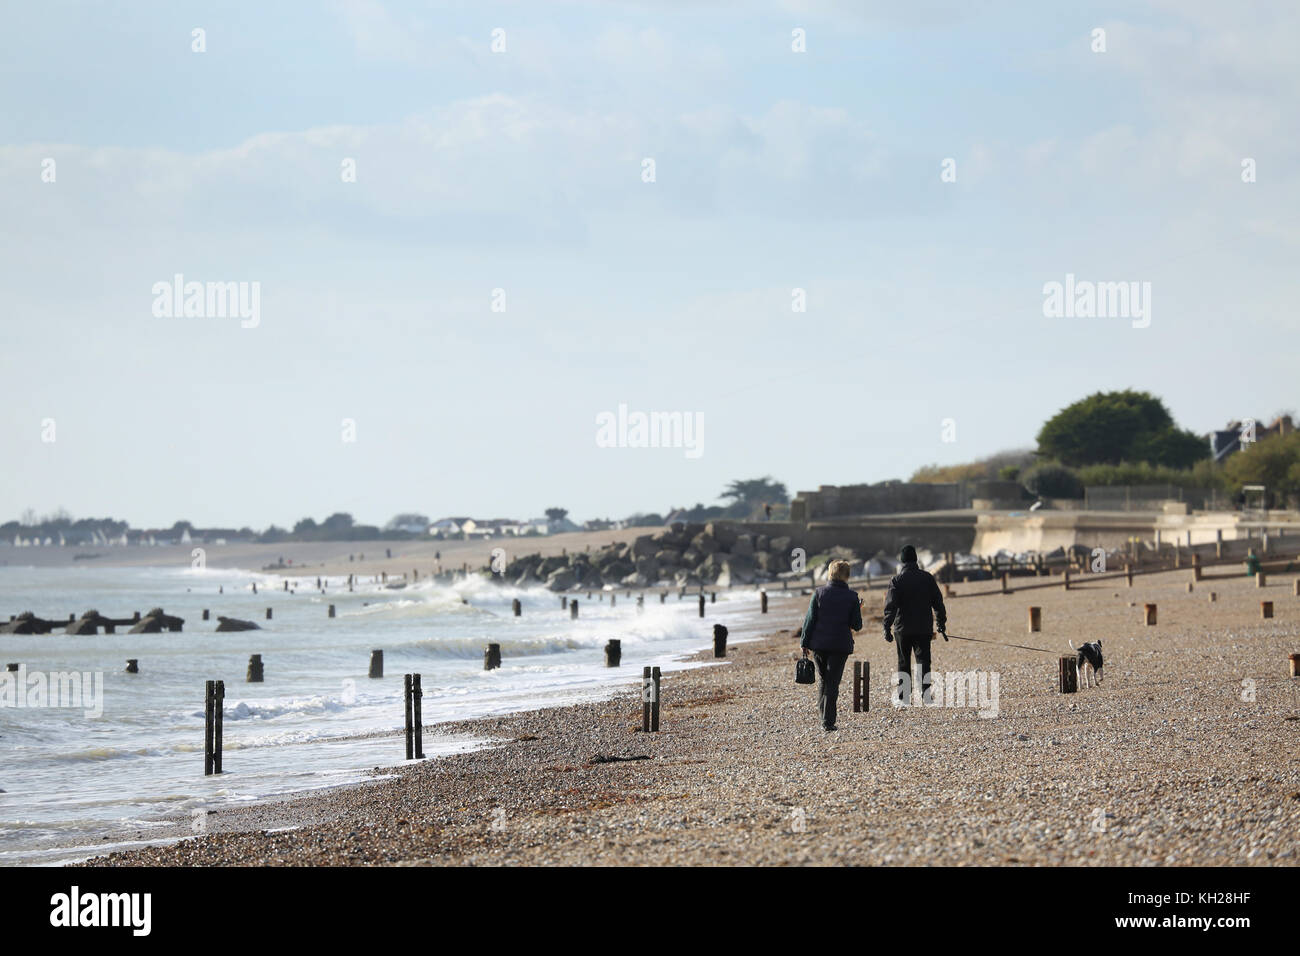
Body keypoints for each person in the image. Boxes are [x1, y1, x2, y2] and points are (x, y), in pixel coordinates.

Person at [800, 559, 863, 731]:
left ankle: (824, 717)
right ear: (847, 576)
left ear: (830, 573)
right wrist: (858, 608)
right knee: (833, 682)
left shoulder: (819, 593)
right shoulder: (852, 597)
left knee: (824, 680)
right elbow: (856, 625)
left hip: (819, 645)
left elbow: (809, 620)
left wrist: (804, 643)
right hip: (840, 645)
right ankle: (828, 722)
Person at [882, 545, 947, 706]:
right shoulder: (927, 578)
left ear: (902, 561)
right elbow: (938, 603)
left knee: (903, 661)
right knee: (924, 661)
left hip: (902, 629)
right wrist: (941, 623)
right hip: (923, 627)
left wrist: (886, 628)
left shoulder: (896, 580)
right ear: (916, 559)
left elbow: (890, 607)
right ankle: (925, 694)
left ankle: (904, 697)